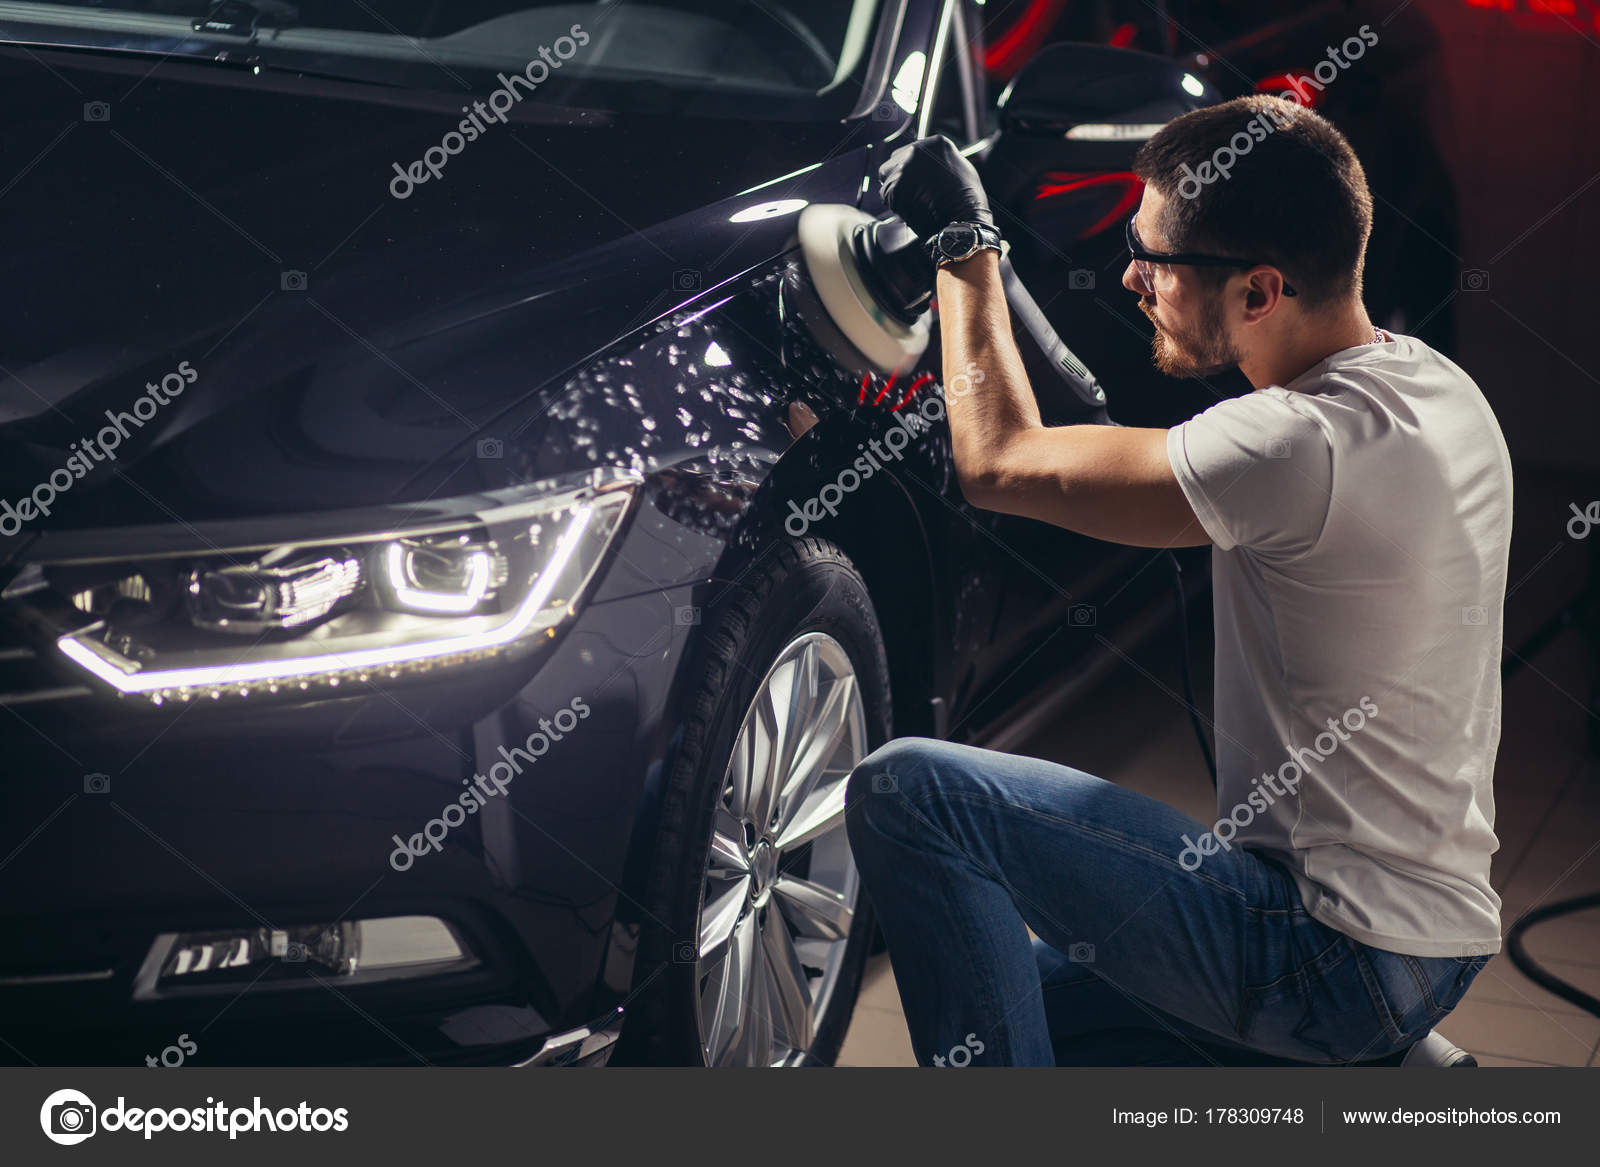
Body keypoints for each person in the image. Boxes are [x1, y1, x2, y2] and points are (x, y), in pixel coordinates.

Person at [844, 96, 1510, 1067]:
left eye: (1155, 258)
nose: (1130, 276)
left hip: (1323, 954)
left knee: (910, 793)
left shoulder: (1290, 445)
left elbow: (997, 461)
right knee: (1023, 1008)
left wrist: (965, 247)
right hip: (1435, 941)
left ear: (1258, 292)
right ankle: (1394, 1069)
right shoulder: (1434, 389)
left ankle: (1337, 1042)